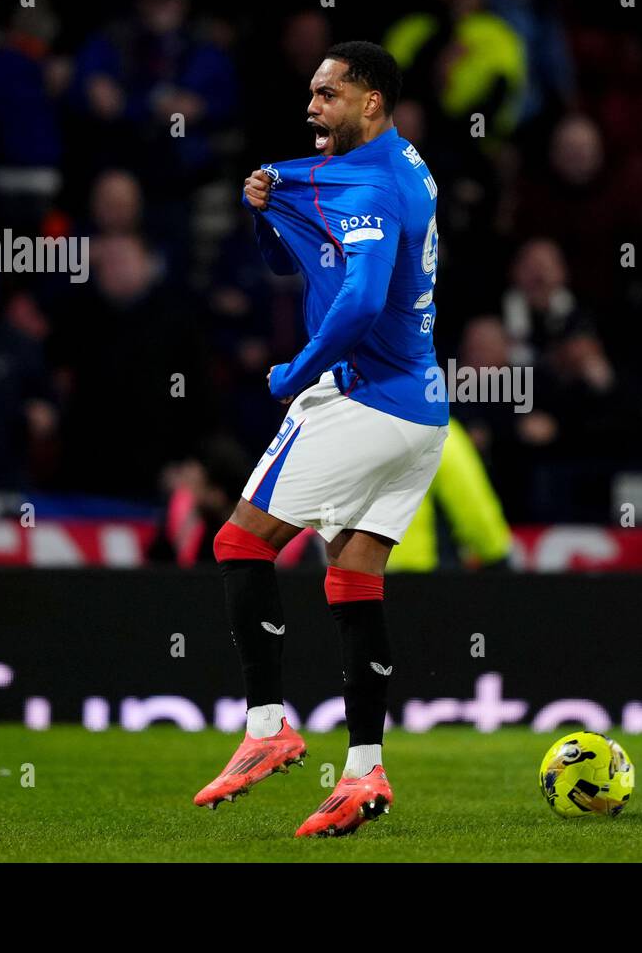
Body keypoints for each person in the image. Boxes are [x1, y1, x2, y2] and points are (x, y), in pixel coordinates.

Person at [193, 42, 448, 838]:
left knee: (240, 542)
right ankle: (365, 773)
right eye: (310, 91)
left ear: (371, 101)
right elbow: (300, 258)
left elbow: (365, 298)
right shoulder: (404, 164)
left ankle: (267, 728)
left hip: (363, 400)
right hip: (425, 417)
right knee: (353, 581)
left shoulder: (369, 181)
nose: (312, 105)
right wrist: (271, 215)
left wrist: (298, 370)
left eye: (328, 93)